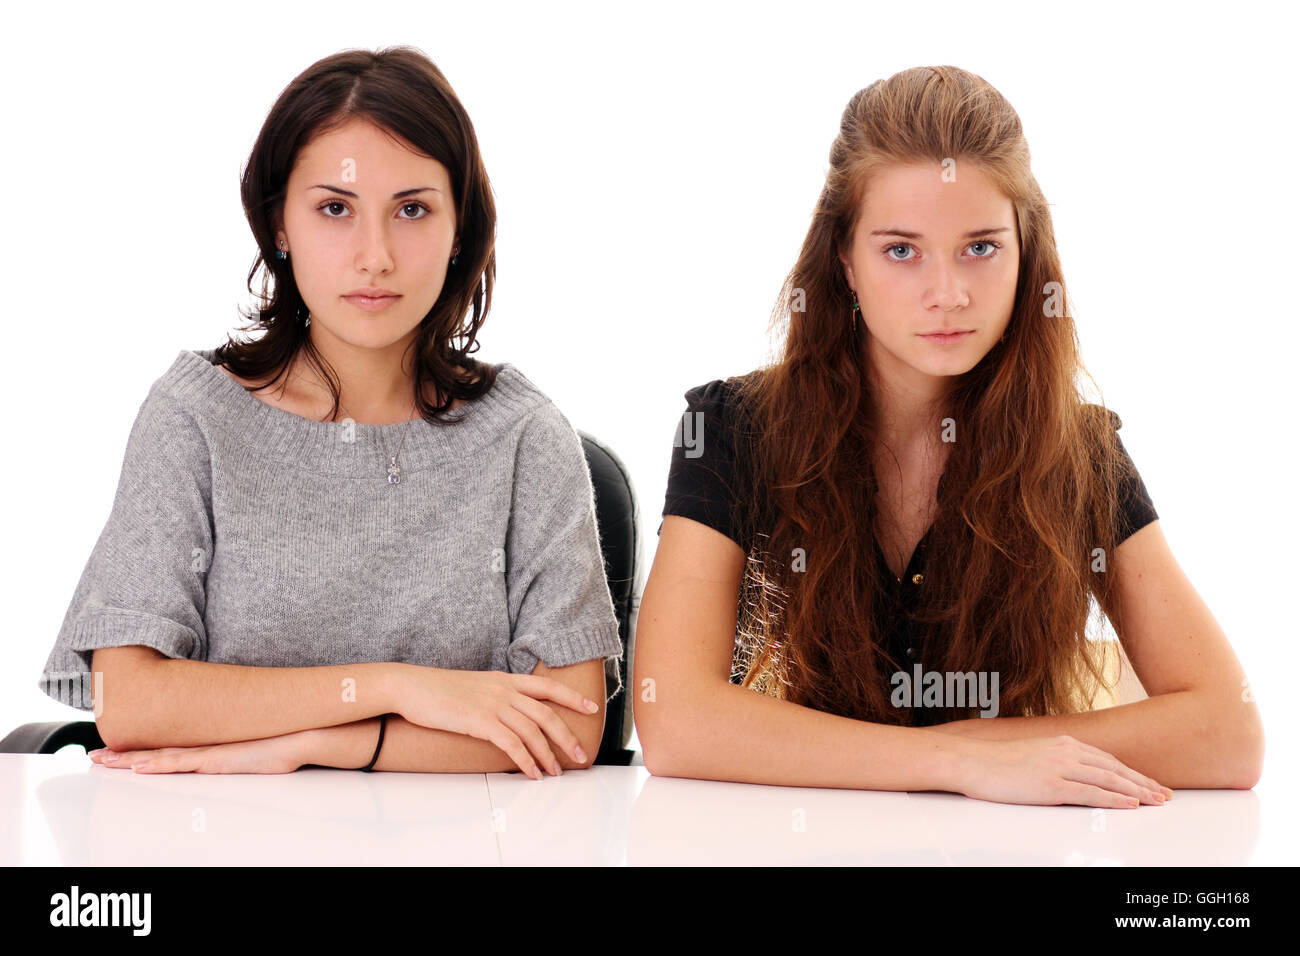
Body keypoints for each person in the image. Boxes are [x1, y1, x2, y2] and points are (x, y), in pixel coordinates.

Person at [634, 65, 1263, 806]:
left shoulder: (1080, 451)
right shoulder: (731, 429)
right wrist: (957, 764)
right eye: (902, 250)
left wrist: (983, 753)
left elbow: (1229, 729)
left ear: (1026, 253)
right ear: (845, 261)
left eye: (981, 248)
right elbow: (672, 720)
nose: (948, 294)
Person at [38, 47, 621, 780]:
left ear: (459, 228)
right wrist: (396, 687)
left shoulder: (525, 437)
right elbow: (126, 699)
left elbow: (568, 727)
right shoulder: (195, 420)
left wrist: (321, 744)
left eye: (412, 209)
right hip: (222, 838)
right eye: (335, 209)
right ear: (279, 224)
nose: (374, 256)